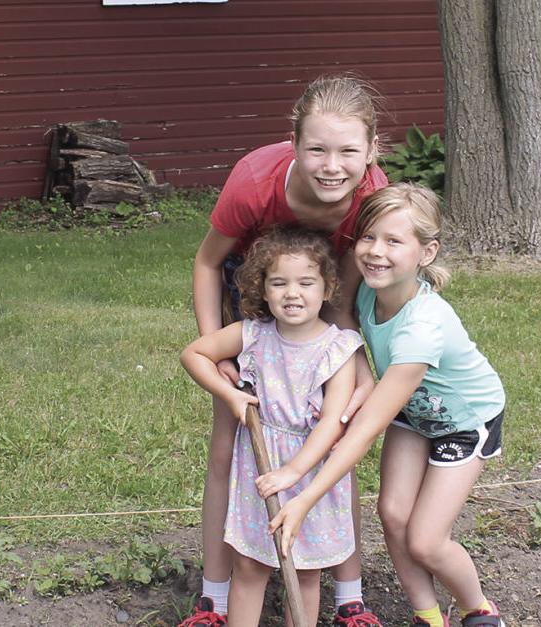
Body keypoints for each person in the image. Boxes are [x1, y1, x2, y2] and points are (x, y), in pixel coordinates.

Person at [184, 74, 388, 627]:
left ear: (371, 151)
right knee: (229, 445)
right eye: (316, 148)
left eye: (349, 151)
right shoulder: (254, 181)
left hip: (319, 294)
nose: (332, 165)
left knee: (335, 441)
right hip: (254, 288)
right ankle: (214, 598)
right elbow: (206, 264)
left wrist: (357, 365)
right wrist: (222, 358)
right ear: (293, 145)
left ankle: (350, 596)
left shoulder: (371, 193)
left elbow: (342, 301)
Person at [268, 183, 507, 627]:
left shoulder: (423, 328)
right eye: (369, 237)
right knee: (393, 513)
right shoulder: (367, 283)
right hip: (416, 413)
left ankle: (479, 610)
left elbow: (363, 430)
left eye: (394, 241)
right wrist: (358, 361)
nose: (376, 251)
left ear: (426, 253)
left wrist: (303, 490)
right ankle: (428, 616)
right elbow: (339, 308)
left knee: (427, 541)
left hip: (464, 420)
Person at [182, 227, 365, 626]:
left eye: (305, 283)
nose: (292, 293)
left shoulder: (339, 348)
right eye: (278, 282)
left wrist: (293, 472)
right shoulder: (254, 335)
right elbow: (194, 353)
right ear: (262, 290)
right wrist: (229, 394)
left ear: (327, 288)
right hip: (259, 469)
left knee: (304, 570)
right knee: (249, 566)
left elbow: (333, 422)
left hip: (309, 468)